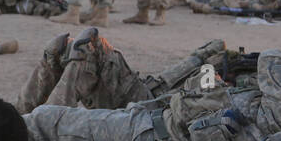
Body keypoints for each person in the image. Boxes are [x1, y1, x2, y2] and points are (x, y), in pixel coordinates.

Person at [22, 49, 281, 141]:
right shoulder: (264, 112)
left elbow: (273, 56)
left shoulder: (280, 115)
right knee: (46, 121)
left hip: (145, 136)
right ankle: (2, 127)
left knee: (44, 120)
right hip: (146, 123)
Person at [15, 29, 231, 113]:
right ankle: (19, 114)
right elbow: (171, 76)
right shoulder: (210, 66)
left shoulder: (224, 95)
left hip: (141, 109)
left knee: (90, 48)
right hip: (145, 93)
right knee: (59, 48)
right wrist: (203, 54)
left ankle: (43, 124)